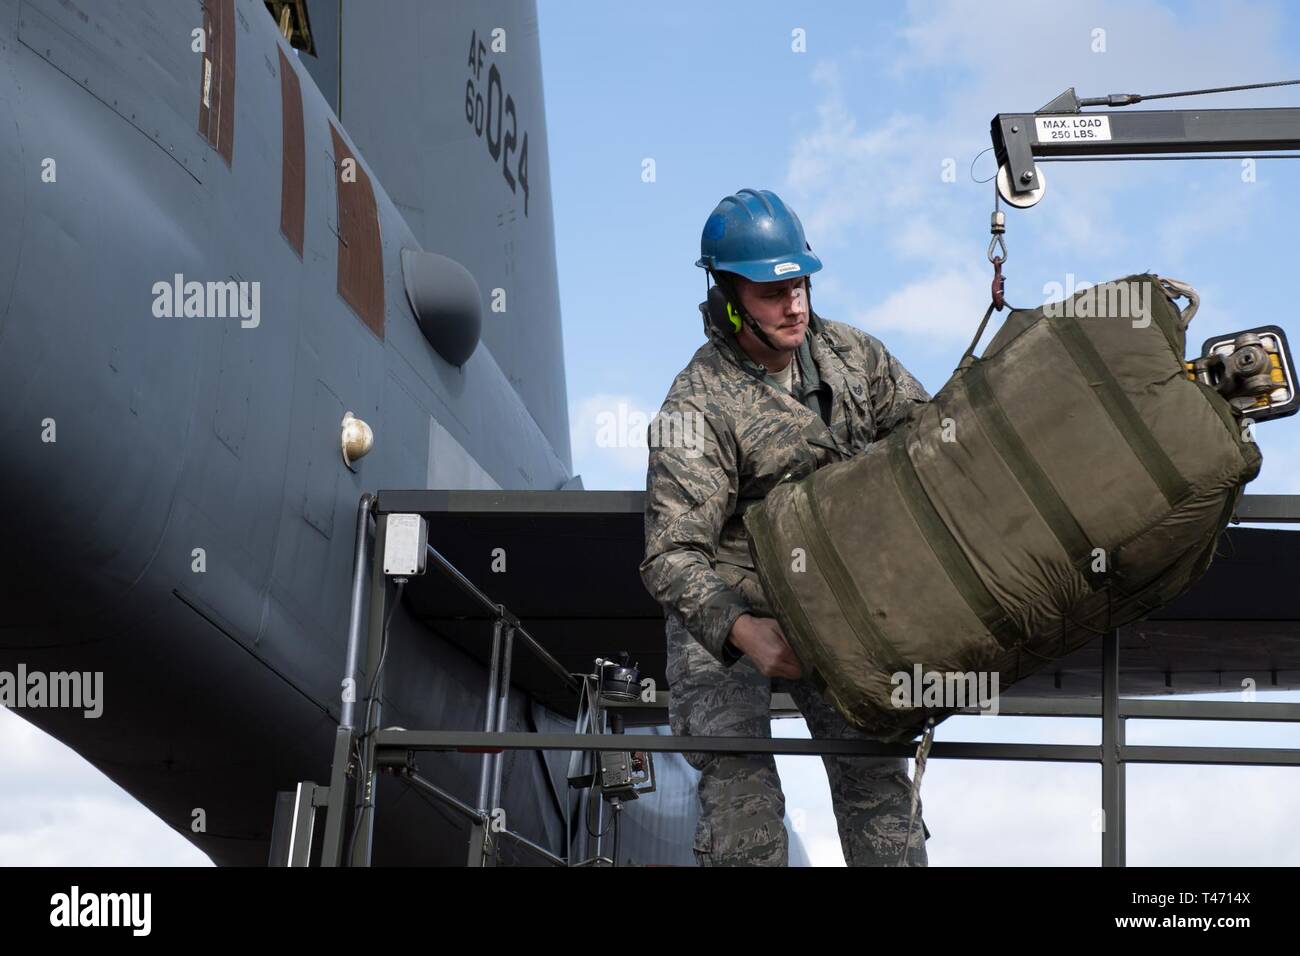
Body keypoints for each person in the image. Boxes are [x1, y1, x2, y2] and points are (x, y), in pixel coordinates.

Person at [639, 187, 933, 866]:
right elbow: (671, 556)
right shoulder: (696, 405)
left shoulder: (854, 358)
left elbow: (929, 443)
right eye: (773, 293)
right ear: (730, 297)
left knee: (882, 804)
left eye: (799, 284)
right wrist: (745, 633)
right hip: (729, 609)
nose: (795, 304)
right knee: (745, 816)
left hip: (835, 601)